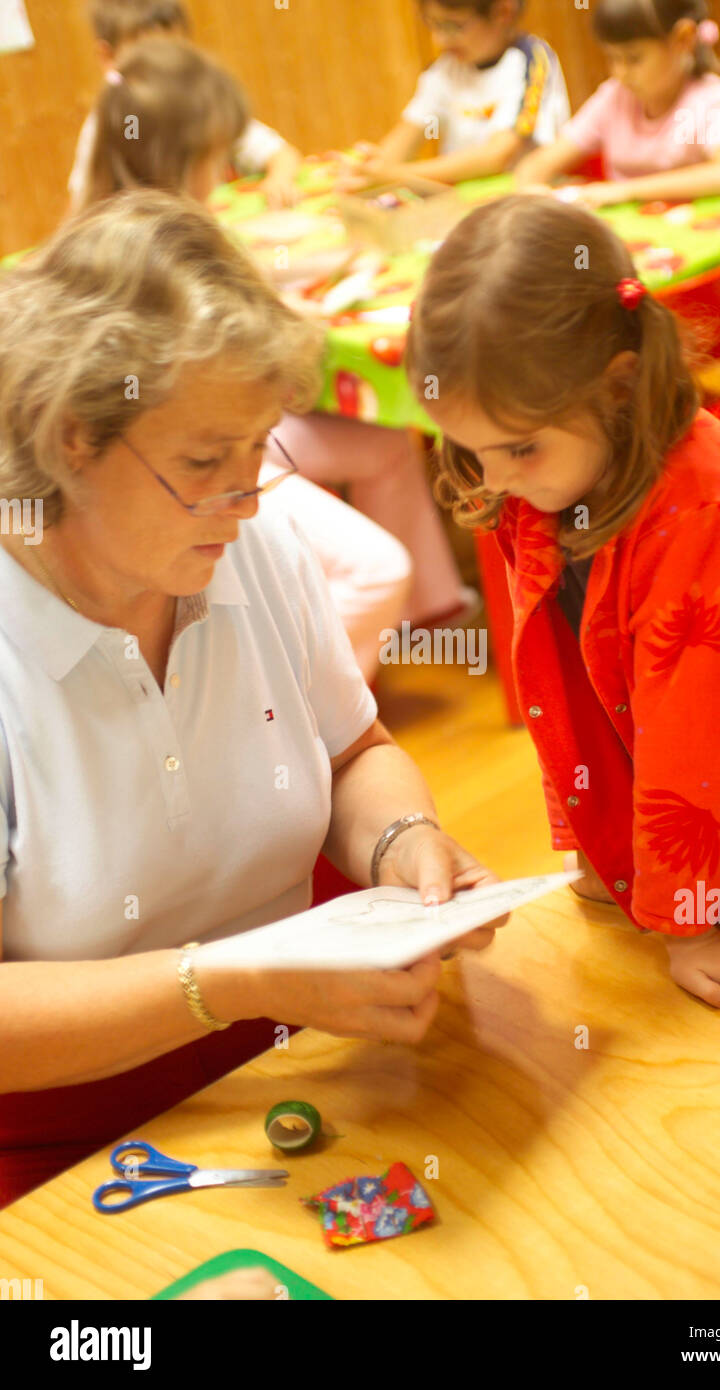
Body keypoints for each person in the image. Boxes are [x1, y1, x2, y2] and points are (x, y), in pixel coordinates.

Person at [0, 191, 505, 1203]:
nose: (249, 500)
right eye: (202, 463)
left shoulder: (249, 538)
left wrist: (402, 840)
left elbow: (354, 750)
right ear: (69, 441)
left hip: (305, 1065)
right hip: (70, 1148)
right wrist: (222, 984)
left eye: (259, 451)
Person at [406, 193, 720, 1010]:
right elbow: (559, 679)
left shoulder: (704, 511)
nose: (498, 480)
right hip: (698, 850)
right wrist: (591, 848)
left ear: (618, 388)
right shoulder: (543, 480)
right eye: (473, 452)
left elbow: (697, 736)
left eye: (516, 448)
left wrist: (683, 927)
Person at [76, 35, 417, 682]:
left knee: (381, 450)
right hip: (193, 474)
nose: (225, 172)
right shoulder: (151, 249)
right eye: (214, 157)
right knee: (377, 570)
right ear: (182, 159)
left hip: (209, 453)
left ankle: (418, 624)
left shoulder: (141, 224)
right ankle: (298, 705)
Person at [68, 0, 302, 212]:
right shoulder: (112, 124)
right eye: (147, 62)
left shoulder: (202, 106)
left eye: (175, 54)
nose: (167, 73)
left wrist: (279, 179)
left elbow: (279, 154)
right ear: (108, 58)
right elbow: (82, 208)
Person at [514, 0, 720, 205]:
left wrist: (624, 191)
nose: (620, 73)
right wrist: (530, 186)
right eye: (612, 58)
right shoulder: (613, 97)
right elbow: (540, 163)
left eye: (633, 59)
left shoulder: (714, 100)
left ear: (683, 39)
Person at [343, 0, 570, 188]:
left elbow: (498, 156)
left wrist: (396, 174)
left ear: (503, 11)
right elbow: (404, 138)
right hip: (462, 200)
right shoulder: (445, 69)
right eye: (433, 25)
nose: (439, 40)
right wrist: (370, 167)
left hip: (521, 201)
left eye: (453, 26)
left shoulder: (532, 61)